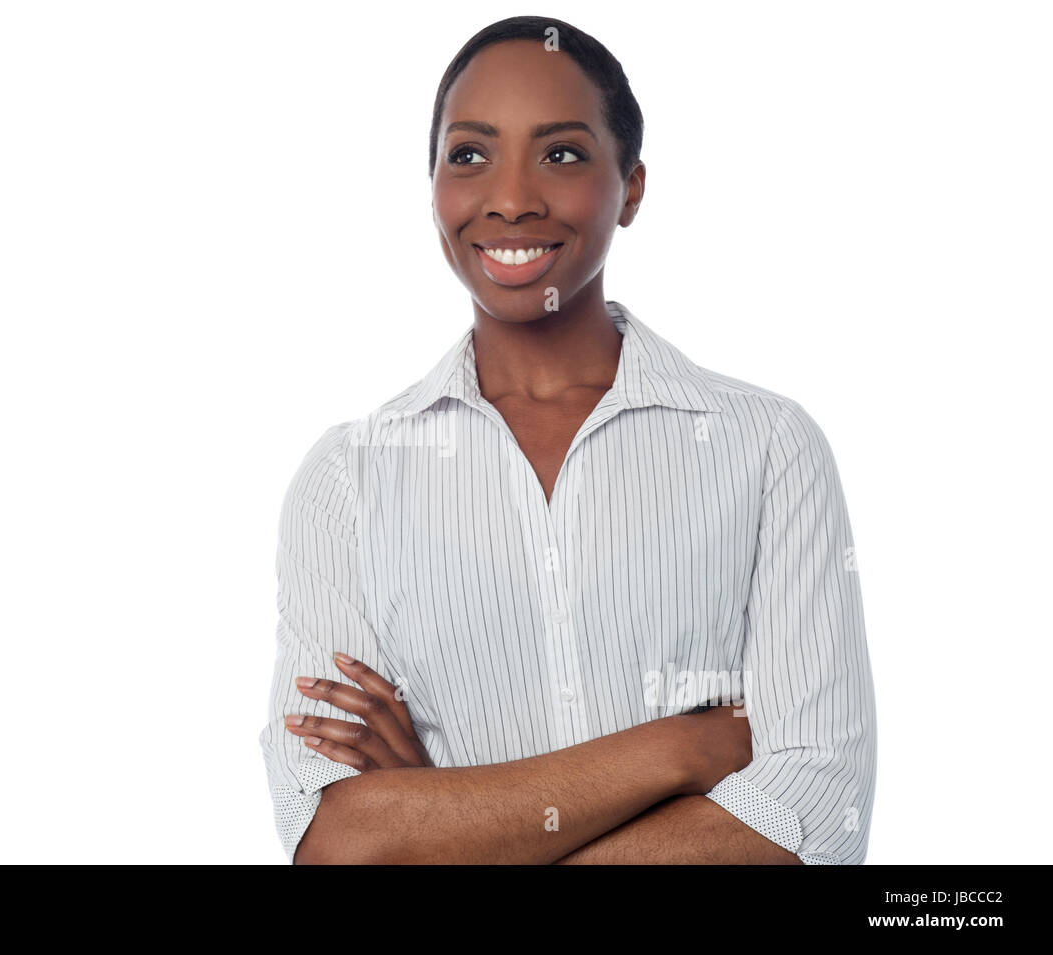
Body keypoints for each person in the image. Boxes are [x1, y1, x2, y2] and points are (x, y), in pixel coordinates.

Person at [259, 15, 876, 864]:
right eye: (469, 154)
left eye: (561, 153)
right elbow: (337, 840)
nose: (511, 197)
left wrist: (444, 821)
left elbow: (817, 821)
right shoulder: (348, 481)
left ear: (632, 187)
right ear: (431, 185)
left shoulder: (767, 449)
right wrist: (680, 749)